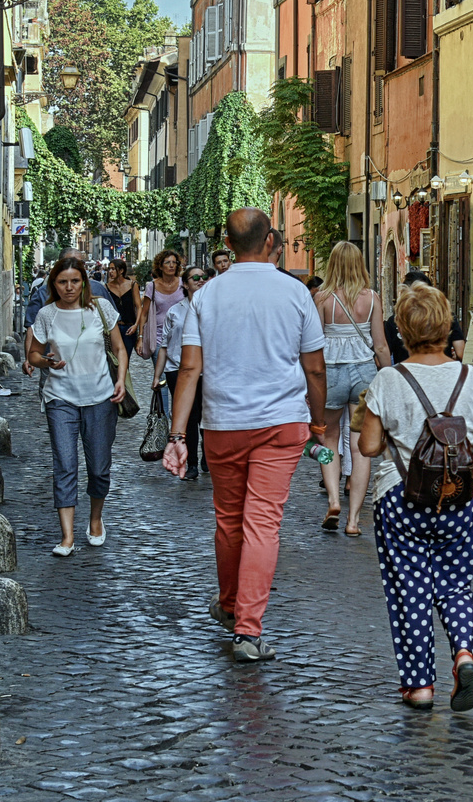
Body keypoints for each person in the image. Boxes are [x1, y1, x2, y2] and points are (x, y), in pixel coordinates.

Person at [169, 208, 327, 663]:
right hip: (282, 423)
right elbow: (315, 369)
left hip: (223, 423)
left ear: (227, 244)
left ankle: (230, 604)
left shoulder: (206, 296)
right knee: (263, 524)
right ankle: (248, 631)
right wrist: (318, 426)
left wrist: (178, 435)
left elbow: (190, 369)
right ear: (271, 240)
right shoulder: (295, 293)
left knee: (229, 521)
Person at [358, 283, 473, 712]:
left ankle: (420, 685)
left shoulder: (389, 379)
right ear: (446, 326)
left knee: (410, 588)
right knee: (456, 583)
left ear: (402, 330)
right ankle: (464, 654)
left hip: (401, 497)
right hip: (461, 496)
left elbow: (368, 447)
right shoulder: (467, 376)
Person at [25, 257, 128, 557]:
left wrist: (120, 380)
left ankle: (95, 519)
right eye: (62, 282)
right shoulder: (47, 314)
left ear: (83, 282)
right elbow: (33, 354)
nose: (69, 287)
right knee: (65, 465)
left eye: (74, 281)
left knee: (99, 468)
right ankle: (67, 536)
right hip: (60, 398)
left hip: (100, 397)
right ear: (53, 284)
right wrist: (47, 361)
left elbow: (119, 348)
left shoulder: (100, 308)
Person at [315, 241, 391, 535]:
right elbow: (380, 345)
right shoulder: (372, 298)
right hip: (364, 373)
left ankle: (334, 501)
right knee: (360, 447)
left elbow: (313, 344)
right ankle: (354, 520)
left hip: (330, 373)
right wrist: (389, 375)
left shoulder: (322, 298)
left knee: (328, 440)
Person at [151, 267, 211, 481]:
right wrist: (157, 376)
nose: (201, 280)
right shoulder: (175, 311)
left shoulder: (213, 309)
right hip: (177, 370)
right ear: (185, 284)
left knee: (207, 416)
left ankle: (207, 456)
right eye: (195, 277)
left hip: (206, 371)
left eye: (204, 277)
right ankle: (192, 462)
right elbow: (164, 346)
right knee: (189, 417)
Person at [24, 246, 117, 334]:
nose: (69, 288)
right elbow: (32, 329)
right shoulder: (43, 294)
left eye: (80, 263)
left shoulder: (98, 289)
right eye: (70, 263)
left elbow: (113, 324)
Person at [384, 270, 467, 363]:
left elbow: (383, 353)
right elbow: (460, 352)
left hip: (405, 369)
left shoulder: (394, 321)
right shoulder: (446, 316)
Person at [139, 250, 185, 357]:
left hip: (181, 336)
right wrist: (140, 337)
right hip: (158, 337)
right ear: (160, 266)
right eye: (167, 262)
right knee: (160, 368)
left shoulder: (183, 283)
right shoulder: (152, 286)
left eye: (174, 262)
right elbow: (144, 313)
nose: (171, 265)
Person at [105, 258, 144, 358]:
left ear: (121, 270)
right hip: (114, 328)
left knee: (126, 358)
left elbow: (139, 307)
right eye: (109, 269)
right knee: (114, 359)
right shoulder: (107, 287)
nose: (110, 272)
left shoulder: (132, 285)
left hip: (129, 328)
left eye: (113, 269)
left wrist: (136, 325)